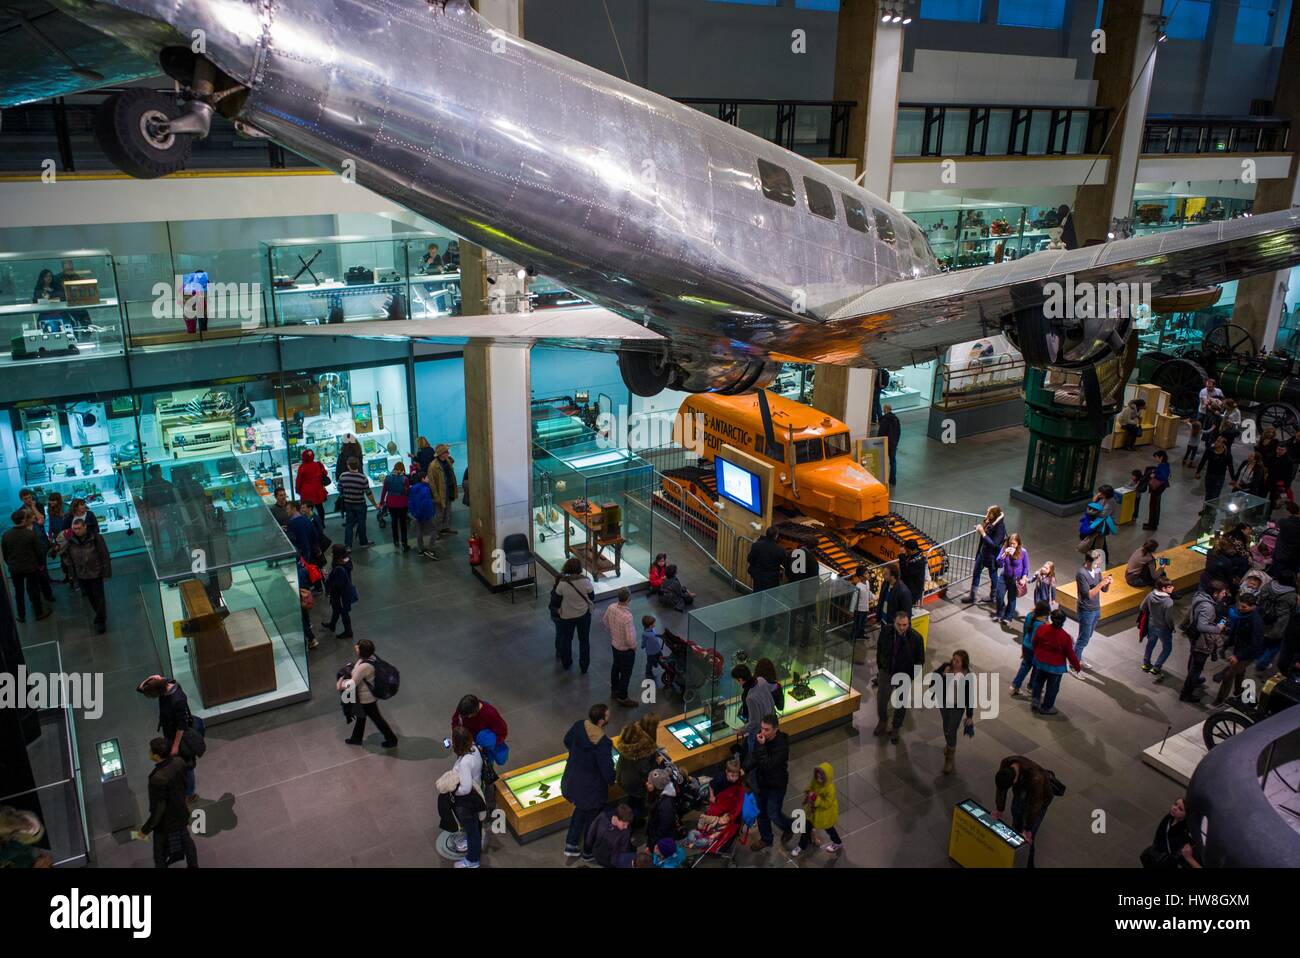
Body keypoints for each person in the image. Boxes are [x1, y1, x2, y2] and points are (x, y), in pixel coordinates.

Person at [560, 703, 616, 860]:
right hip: (592, 788)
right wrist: (612, 779)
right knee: (592, 819)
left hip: (573, 779)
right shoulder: (603, 742)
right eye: (607, 715)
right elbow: (606, 769)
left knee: (580, 809)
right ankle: (588, 852)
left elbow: (567, 741)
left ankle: (571, 844)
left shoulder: (579, 725)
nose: (609, 716)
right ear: (601, 720)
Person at [133, 738, 198, 868]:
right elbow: (185, 785)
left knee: (159, 855)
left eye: (150, 751)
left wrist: (145, 830)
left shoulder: (157, 778)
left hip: (165, 824)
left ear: (156, 756)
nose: (149, 752)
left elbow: (159, 808)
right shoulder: (179, 762)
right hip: (180, 815)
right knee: (189, 847)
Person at [136, 675, 199, 800]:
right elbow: (140, 688)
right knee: (178, 762)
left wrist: (175, 746)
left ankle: (190, 793)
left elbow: (182, 725)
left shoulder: (178, 699)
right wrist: (152, 678)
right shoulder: (165, 685)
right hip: (169, 731)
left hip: (179, 736)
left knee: (188, 764)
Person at [741, 713, 793, 851]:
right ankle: (766, 839)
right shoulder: (762, 739)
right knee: (761, 812)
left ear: (775, 729)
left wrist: (761, 746)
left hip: (776, 785)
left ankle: (789, 827)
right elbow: (754, 757)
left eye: (767, 729)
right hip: (762, 782)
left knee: (773, 813)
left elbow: (767, 764)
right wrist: (744, 769)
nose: (762, 732)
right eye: (762, 728)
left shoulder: (781, 746)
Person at [992, 755, 1054, 868]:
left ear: (1015, 780)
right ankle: (1013, 860)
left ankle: (1028, 865)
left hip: (1041, 798)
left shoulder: (1036, 778)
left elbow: (1036, 805)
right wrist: (999, 809)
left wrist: (1028, 829)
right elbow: (1001, 788)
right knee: (1016, 827)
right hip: (1022, 790)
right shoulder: (1006, 764)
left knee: (1027, 839)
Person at [874, 608, 925, 743]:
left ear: (908, 624)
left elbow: (920, 660)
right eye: (899, 624)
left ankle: (896, 727)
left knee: (901, 703)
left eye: (905, 625)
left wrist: (911, 676)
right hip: (887, 672)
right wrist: (880, 666)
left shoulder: (916, 638)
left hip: (904, 676)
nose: (902, 628)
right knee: (881, 700)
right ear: (894, 622)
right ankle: (883, 720)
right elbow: (879, 649)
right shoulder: (886, 631)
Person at [338, 638, 398, 748]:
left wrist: (340, 685)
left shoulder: (364, 666)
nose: (355, 647)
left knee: (376, 719)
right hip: (367, 696)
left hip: (366, 698)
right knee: (362, 717)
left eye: (358, 647)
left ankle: (392, 739)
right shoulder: (371, 657)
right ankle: (356, 738)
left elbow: (352, 683)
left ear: (362, 650)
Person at [1179, 580, 1229, 702]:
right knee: (1197, 666)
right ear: (1215, 593)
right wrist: (1218, 628)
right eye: (1223, 593)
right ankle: (1187, 692)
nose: (1225, 595)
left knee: (1194, 660)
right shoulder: (1208, 607)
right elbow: (1202, 626)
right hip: (1202, 640)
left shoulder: (1199, 596)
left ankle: (1193, 680)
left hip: (1194, 636)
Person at [59, 515, 110, 633]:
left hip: (96, 572)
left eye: (78, 528)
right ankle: (99, 616)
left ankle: (100, 621)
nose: (76, 531)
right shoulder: (70, 541)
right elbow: (69, 559)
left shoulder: (96, 538)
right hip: (81, 574)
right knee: (91, 597)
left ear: (84, 527)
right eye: (74, 529)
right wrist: (72, 575)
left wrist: (106, 572)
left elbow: (104, 555)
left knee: (99, 598)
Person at [1213, 593, 1263, 706]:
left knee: (1228, 675)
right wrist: (1226, 645)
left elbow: (1255, 644)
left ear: (1253, 606)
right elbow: (1234, 632)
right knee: (1239, 672)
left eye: (1244, 607)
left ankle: (1220, 701)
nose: (1240, 608)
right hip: (1239, 649)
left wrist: (1238, 656)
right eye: (1239, 605)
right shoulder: (1243, 615)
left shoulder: (1256, 622)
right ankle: (1239, 692)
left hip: (1247, 654)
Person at [684, 758, 746, 850]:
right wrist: (712, 796)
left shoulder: (738, 776)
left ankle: (695, 842)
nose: (734, 779)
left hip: (729, 801)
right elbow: (711, 786)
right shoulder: (720, 778)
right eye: (732, 776)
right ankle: (694, 841)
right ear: (726, 772)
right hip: (719, 799)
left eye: (736, 776)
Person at [1030, 608, 1082, 715]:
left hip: (1041, 662)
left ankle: (1035, 700)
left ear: (1052, 618)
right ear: (1063, 621)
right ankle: (1047, 707)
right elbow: (1070, 654)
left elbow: (1034, 642)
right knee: (1052, 688)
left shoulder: (1042, 628)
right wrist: (1077, 666)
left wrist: (1038, 653)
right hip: (1056, 667)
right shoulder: (1066, 637)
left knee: (1038, 682)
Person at [3, 509, 51, 623]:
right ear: (24, 520)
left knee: (18, 593)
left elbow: (5, 555)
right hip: (31, 568)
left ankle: (21, 615)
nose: (30, 518)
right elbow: (38, 552)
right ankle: (39, 613)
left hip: (15, 569)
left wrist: (11, 564)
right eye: (28, 517)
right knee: (34, 591)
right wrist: (40, 565)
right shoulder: (30, 534)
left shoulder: (6, 535)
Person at [447, 726, 484, 868]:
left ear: (458, 744)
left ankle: (472, 861)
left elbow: (466, 788)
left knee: (472, 830)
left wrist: (454, 791)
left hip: (468, 801)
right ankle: (473, 844)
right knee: (475, 828)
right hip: (477, 796)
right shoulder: (474, 749)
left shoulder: (464, 763)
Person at [934, 650, 976, 774]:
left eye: (957, 661)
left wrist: (969, 715)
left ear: (963, 663)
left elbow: (970, 696)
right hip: (944, 703)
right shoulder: (947, 667)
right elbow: (933, 677)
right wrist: (943, 674)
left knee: (951, 730)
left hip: (958, 707)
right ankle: (949, 745)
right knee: (946, 727)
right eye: (953, 659)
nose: (954, 662)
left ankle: (949, 758)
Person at [615, 712, 661, 825]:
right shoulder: (646, 746)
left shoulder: (631, 733)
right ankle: (634, 823)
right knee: (638, 804)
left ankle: (628, 816)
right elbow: (645, 770)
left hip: (623, 775)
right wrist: (656, 763)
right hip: (636, 783)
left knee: (631, 799)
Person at [553, 556, 595, 673]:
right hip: (583, 615)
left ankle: (566, 663)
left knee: (566, 640)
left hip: (567, 616)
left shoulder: (562, 584)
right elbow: (592, 597)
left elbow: (556, 600)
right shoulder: (586, 581)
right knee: (584, 640)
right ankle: (584, 666)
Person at [792, 762, 842, 857]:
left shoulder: (830, 789)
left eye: (821, 778)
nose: (818, 779)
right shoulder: (815, 780)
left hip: (824, 814)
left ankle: (837, 842)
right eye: (817, 775)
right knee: (806, 828)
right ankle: (801, 846)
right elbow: (812, 787)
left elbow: (827, 804)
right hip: (812, 811)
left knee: (829, 829)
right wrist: (808, 791)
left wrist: (816, 798)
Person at [1072, 550, 1111, 667]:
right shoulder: (1081, 574)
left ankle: (1077, 656)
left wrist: (1107, 583)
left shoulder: (1097, 568)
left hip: (1096, 608)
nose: (1098, 564)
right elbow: (1088, 594)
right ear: (1088, 561)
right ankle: (1074, 664)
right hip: (1086, 610)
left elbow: (1104, 589)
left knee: (1087, 636)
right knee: (1083, 639)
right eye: (1096, 562)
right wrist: (1102, 583)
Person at [1141, 797, 1202, 869]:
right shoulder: (1169, 817)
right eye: (1175, 804)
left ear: (1186, 815)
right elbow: (1159, 835)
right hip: (1158, 856)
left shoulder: (1187, 831)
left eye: (1180, 809)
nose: (1175, 808)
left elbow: (1180, 852)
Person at [1255, 568, 1296, 674]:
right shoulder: (1291, 595)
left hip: (1263, 618)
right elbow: (1293, 609)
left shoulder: (1268, 586)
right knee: (1274, 645)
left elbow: (1259, 599)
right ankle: (1262, 663)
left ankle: (1258, 657)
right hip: (1279, 624)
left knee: (1263, 640)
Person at [963, 505, 1006, 606]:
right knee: (976, 573)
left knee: (993, 575)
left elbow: (994, 544)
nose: (986, 514)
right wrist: (982, 528)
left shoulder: (1000, 527)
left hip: (992, 557)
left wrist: (982, 532)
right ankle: (972, 596)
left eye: (988, 513)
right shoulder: (990, 522)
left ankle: (993, 596)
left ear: (994, 515)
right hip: (983, 553)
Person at [604, 587, 638, 707]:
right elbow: (630, 638)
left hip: (615, 645)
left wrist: (614, 632)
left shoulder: (611, 607)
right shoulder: (627, 616)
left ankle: (614, 690)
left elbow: (605, 621)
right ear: (629, 599)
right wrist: (633, 647)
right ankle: (623, 697)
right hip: (626, 650)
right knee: (625, 674)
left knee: (615, 668)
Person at [1139, 577, 1177, 676]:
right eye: (1169, 587)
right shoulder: (1168, 602)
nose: (1172, 587)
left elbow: (1142, 607)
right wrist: (1172, 627)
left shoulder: (1151, 595)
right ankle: (1157, 667)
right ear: (1163, 589)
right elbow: (1168, 618)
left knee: (1150, 644)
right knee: (1167, 648)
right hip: (1163, 628)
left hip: (1151, 624)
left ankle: (1146, 664)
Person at [337, 457, 378, 549]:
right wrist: (375, 504)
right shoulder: (363, 478)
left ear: (348, 466)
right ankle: (363, 542)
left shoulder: (343, 476)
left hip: (348, 504)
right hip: (360, 504)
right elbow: (368, 493)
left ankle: (348, 545)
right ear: (358, 466)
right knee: (361, 523)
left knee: (349, 525)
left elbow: (339, 488)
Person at [1011, 601, 1050, 696]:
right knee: (1036, 669)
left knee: (1025, 666)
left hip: (1026, 645)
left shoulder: (1029, 616)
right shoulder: (1042, 625)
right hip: (1036, 650)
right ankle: (1031, 687)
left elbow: (1025, 631)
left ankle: (1016, 685)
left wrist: (1023, 648)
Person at [585, 804, 635, 868]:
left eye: (627, 825)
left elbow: (624, 848)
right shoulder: (603, 817)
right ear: (616, 818)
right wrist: (589, 843)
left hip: (612, 860)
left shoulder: (626, 831)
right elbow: (592, 830)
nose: (626, 827)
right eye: (624, 824)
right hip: (598, 852)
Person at [322, 544, 355, 639]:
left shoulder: (339, 567)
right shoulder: (345, 562)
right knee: (337, 610)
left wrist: (329, 580)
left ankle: (348, 631)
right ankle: (332, 625)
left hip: (341, 595)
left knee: (343, 612)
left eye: (332, 552)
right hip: (344, 593)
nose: (331, 553)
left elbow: (338, 584)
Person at [407, 468, 441, 559]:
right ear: (422, 479)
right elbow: (426, 504)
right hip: (426, 515)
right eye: (427, 477)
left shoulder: (413, 488)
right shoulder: (426, 489)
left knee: (419, 532)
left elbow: (410, 501)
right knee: (434, 530)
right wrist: (430, 513)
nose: (429, 479)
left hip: (415, 514)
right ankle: (431, 549)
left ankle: (421, 549)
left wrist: (415, 513)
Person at [995, 532, 1029, 624]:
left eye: (1014, 543)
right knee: (999, 596)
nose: (1011, 545)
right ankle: (999, 613)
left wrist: (1023, 578)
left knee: (1011, 598)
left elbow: (1026, 567)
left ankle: (1008, 617)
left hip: (1015, 578)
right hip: (1004, 576)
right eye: (1010, 543)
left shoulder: (1023, 552)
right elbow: (999, 563)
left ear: (1018, 543)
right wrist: (1004, 555)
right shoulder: (1004, 549)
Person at [294, 449, 329, 535]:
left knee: (308, 510)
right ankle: (321, 524)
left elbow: (299, 480)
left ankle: (309, 525)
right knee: (320, 507)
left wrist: (297, 490)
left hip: (307, 492)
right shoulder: (318, 464)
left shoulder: (302, 467)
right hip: (318, 490)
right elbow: (325, 472)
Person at [644, 767, 679, 852]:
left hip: (661, 839)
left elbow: (664, 827)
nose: (646, 784)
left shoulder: (666, 804)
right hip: (655, 833)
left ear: (657, 786)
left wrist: (653, 843)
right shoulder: (656, 795)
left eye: (649, 783)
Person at [1195, 435, 1237, 502]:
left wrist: (1233, 479)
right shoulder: (1209, 450)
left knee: (1215, 495)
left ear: (1223, 444)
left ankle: (1211, 510)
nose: (1216, 443)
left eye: (1218, 441)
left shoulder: (1227, 454)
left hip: (1219, 477)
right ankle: (1205, 509)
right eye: (1216, 441)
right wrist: (1198, 472)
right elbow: (1203, 461)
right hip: (1209, 475)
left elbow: (1230, 466)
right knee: (1208, 494)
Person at [379, 462, 410, 551]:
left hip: (391, 503)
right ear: (402, 469)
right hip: (402, 503)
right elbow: (407, 492)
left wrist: (381, 502)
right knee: (403, 524)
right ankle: (404, 543)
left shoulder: (387, 478)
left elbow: (384, 491)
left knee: (394, 522)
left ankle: (395, 541)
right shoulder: (404, 479)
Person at [747, 526, 789, 591]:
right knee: (771, 597)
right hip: (772, 580)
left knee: (757, 596)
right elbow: (785, 563)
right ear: (776, 536)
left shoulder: (756, 545)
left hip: (758, 577)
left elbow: (750, 559)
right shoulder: (780, 549)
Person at [1142, 450, 1172, 530]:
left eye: (1156, 457)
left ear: (1161, 457)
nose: (1155, 459)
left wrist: (1154, 475)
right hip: (1161, 487)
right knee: (1156, 505)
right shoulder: (1166, 465)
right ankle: (1153, 523)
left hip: (1157, 488)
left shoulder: (1162, 466)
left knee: (1153, 505)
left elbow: (1163, 476)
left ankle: (1152, 525)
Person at [433, 444, 458, 536]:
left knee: (447, 511)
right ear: (441, 454)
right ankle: (437, 531)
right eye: (446, 452)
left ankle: (445, 528)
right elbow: (432, 483)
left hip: (448, 490)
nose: (448, 453)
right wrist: (436, 496)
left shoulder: (447, 461)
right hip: (440, 493)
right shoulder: (433, 466)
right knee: (439, 514)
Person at [285, 501, 319, 566]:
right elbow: (314, 535)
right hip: (309, 550)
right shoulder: (306, 519)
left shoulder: (291, 523)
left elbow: (292, 540)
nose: (286, 511)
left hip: (300, 553)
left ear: (294, 509)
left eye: (288, 509)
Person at [848, 564, 874, 649]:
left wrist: (873, 597)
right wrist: (851, 610)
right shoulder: (858, 586)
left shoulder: (867, 582)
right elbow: (854, 599)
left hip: (865, 608)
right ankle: (853, 637)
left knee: (863, 623)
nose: (868, 575)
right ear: (861, 577)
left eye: (867, 573)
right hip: (859, 609)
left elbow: (868, 592)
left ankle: (861, 634)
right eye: (866, 574)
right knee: (857, 624)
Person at [878, 403, 901, 485]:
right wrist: (896, 443)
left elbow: (881, 433)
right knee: (893, 462)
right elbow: (898, 433)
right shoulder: (896, 420)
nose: (883, 411)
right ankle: (893, 479)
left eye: (884, 409)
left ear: (886, 410)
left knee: (882, 461)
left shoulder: (884, 420)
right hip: (893, 445)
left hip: (885, 444)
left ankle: (882, 479)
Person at [641, 614, 664, 686]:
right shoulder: (645, 634)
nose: (655, 624)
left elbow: (655, 636)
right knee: (649, 663)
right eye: (654, 623)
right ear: (650, 625)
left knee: (661, 657)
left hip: (657, 649)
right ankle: (648, 672)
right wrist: (643, 646)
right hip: (651, 652)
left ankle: (656, 662)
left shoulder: (652, 629)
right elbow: (644, 642)